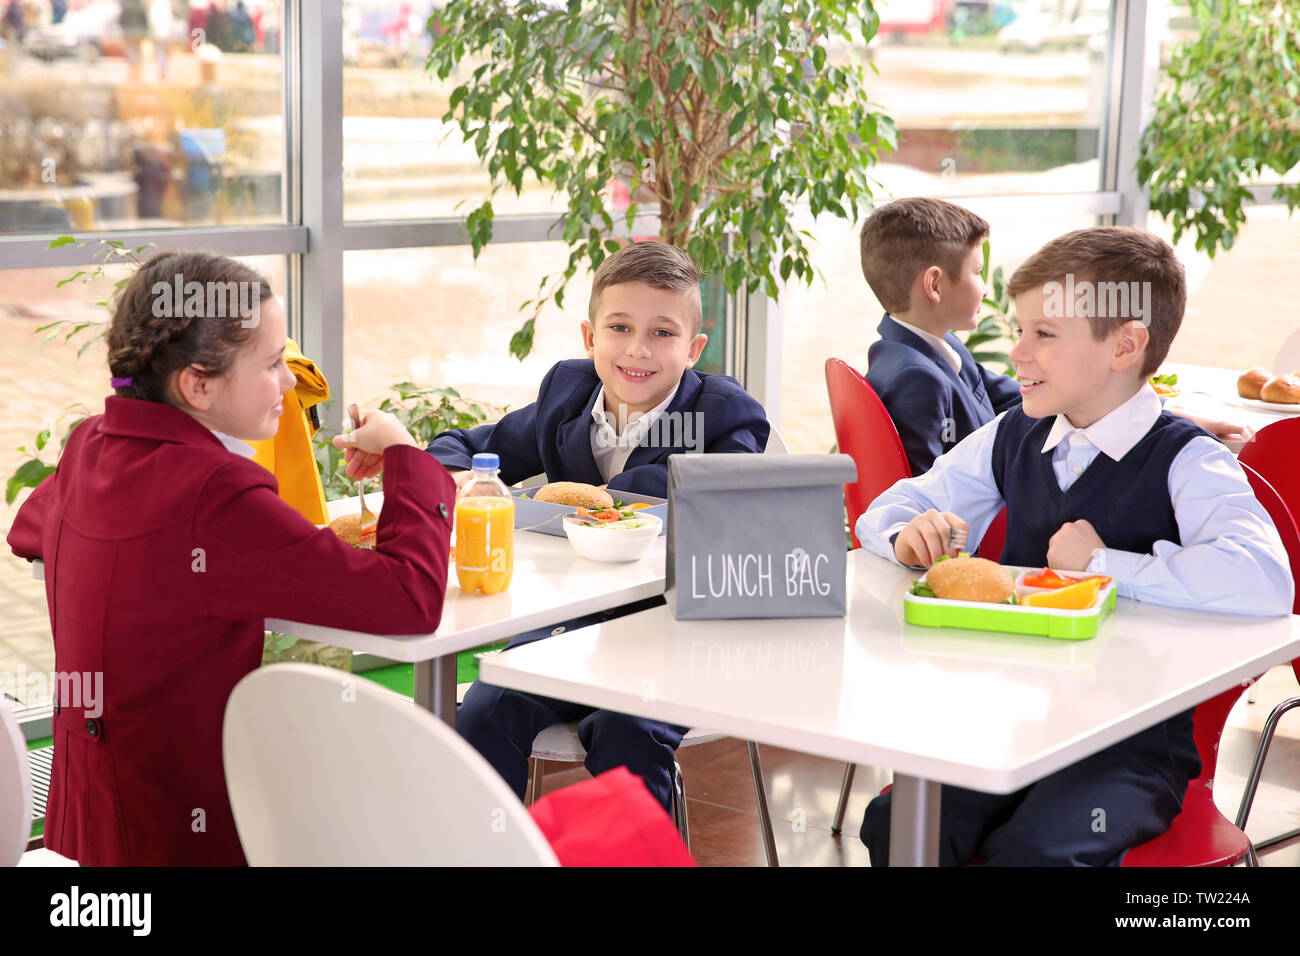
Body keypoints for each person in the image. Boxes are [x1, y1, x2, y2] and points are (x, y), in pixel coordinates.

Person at [854, 226, 1295, 866]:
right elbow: (891, 508)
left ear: (1125, 345)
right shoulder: (1015, 435)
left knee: (1038, 851)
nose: (1018, 352)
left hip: (1131, 752)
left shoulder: (1189, 462)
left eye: (1044, 335)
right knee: (899, 823)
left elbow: (1264, 580)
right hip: (1016, 723)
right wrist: (906, 533)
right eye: (1020, 329)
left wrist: (1101, 566)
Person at [7, 251, 456, 865]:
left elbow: (29, 528)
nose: (292, 383)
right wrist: (407, 454)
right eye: (273, 365)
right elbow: (409, 599)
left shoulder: (91, 445)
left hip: (84, 823)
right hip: (180, 832)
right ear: (198, 383)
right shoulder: (215, 492)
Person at [420, 239, 770, 811]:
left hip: (679, 635)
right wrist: (461, 477)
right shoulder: (569, 392)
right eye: (619, 327)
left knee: (624, 731)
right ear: (590, 338)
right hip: (572, 627)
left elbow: (712, 489)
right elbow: (466, 446)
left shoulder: (726, 414)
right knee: (484, 713)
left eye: (662, 333)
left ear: (693, 349)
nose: (638, 350)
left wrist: (610, 501)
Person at [858, 197, 1248, 478]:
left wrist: (1162, 413)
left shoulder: (937, 349)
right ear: (935, 285)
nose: (986, 287)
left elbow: (1021, 393)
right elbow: (921, 491)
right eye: (978, 271)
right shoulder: (916, 377)